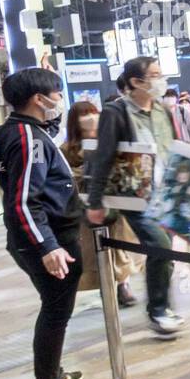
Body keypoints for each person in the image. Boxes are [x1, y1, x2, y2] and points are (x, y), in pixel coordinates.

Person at [0, 68, 102, 379]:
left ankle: (50, 376)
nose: (59, 99)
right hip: (48, 239)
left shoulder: (15, 132)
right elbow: (24, 199)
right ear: (38, 99)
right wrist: (47, 246)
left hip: (39, 237)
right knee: (56, 310)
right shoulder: (27, 139)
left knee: (54, 308)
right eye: (56, 93)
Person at [84, 56, 186, 336]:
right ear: (136, 82)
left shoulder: (163, 110)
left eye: (160, 73)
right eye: (155, 74)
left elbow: (173, 147)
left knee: (165, 252)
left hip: (166, 193)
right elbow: (103, 157)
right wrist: (95, 201)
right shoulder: (115, 112)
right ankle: (157, 311)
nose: (160, 79)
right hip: (133, 195)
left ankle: (164, 305)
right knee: (159, 244)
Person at [60, 100, 137, 308]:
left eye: (94, 113)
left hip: (114, 204)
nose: (91, 118)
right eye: (85, 115)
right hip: (86, 208)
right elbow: (67, 177)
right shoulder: (67, 149)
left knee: (119, 248)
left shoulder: (109, 141)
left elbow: (123, 166)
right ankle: (107, 286)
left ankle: (123, 285)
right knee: (96, 252)